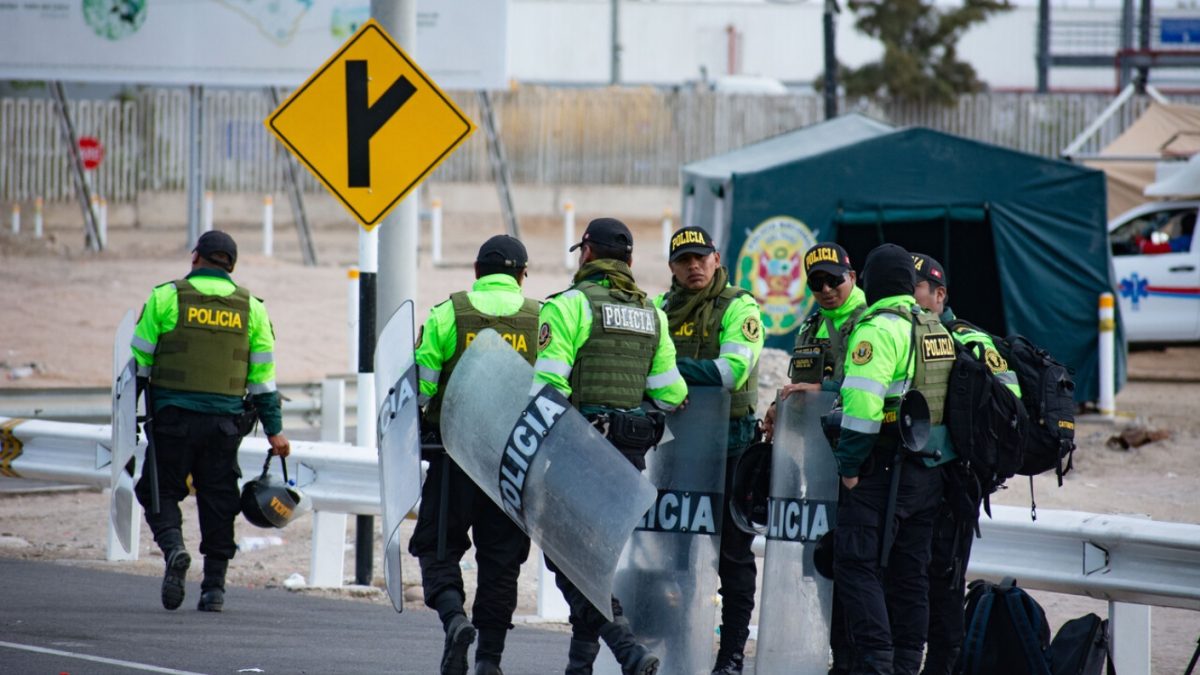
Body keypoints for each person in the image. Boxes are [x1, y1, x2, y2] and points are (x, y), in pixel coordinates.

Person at [532, 217, 688, 675]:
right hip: (628, 460)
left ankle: (626, 649)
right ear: (631, 261)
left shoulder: (569, 305)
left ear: (586, 254)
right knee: (594, 560)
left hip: (577, 454)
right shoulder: (652, 314)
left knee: (567, 559)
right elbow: (671, 394)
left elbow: (547, 387)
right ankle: (580, 667)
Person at [131, 230, 290, 613]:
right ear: (231, 265)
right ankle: (214, 589)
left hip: (172, 419)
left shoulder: (166, 297)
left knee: (159, 490)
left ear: (195, 257)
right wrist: (274, 430)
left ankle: (174, 549)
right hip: (224, 424)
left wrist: (129, 418)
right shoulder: (252, 307)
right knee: (219, 500)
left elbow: (138, 363)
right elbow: (262, 379)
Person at [410, 235, 540, 675]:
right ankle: (489, 660)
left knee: (438, 546)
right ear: (522, 275)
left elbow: (421, 387)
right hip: (512, 465)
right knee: (502, 562)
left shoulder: (449, 313)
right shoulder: (542, 319)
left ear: (476, 271)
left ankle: (454, 619)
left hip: (454, 459)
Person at [833, 243, 955, 675]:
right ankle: (906, 666)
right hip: (929, 469)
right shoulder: (933, 327)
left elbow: (862, 407)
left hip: (884, 467)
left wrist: (849, 468)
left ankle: (877, 666)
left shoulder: (878, 329)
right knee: (910, 575)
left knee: (855, 565)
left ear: (869, 281)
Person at [653, 226, 764, 674]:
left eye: (701, 258)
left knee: (733, 558)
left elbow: (731, 371)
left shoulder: (740, 306)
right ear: (672, 268)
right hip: (677, 451)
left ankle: (732, 654)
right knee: (674, 556)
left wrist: (668, 370)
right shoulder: (661, 309)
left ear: (717, 259)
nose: (694, 266)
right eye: (684, 260)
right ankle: (681, 645)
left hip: (731, 450)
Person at [909, 252, 1020, 675]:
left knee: (944, 580)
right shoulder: (900, 333)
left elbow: (1010, 402)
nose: (908, 296)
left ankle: (942, 666)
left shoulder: (968, 338)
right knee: (909, 578)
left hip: (955, 481)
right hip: (914, 479)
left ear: (939, 295)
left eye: (914, 287)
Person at [762, 242, 867, 441]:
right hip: (816, 440)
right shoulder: (810, 327)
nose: (826, 289)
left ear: (852, 277)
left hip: (857, 437)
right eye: (817, 284)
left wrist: (821, 390)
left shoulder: (872, 322)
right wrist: (780, 408)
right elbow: (802, 386)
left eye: (833, 280)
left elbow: (869, 385)